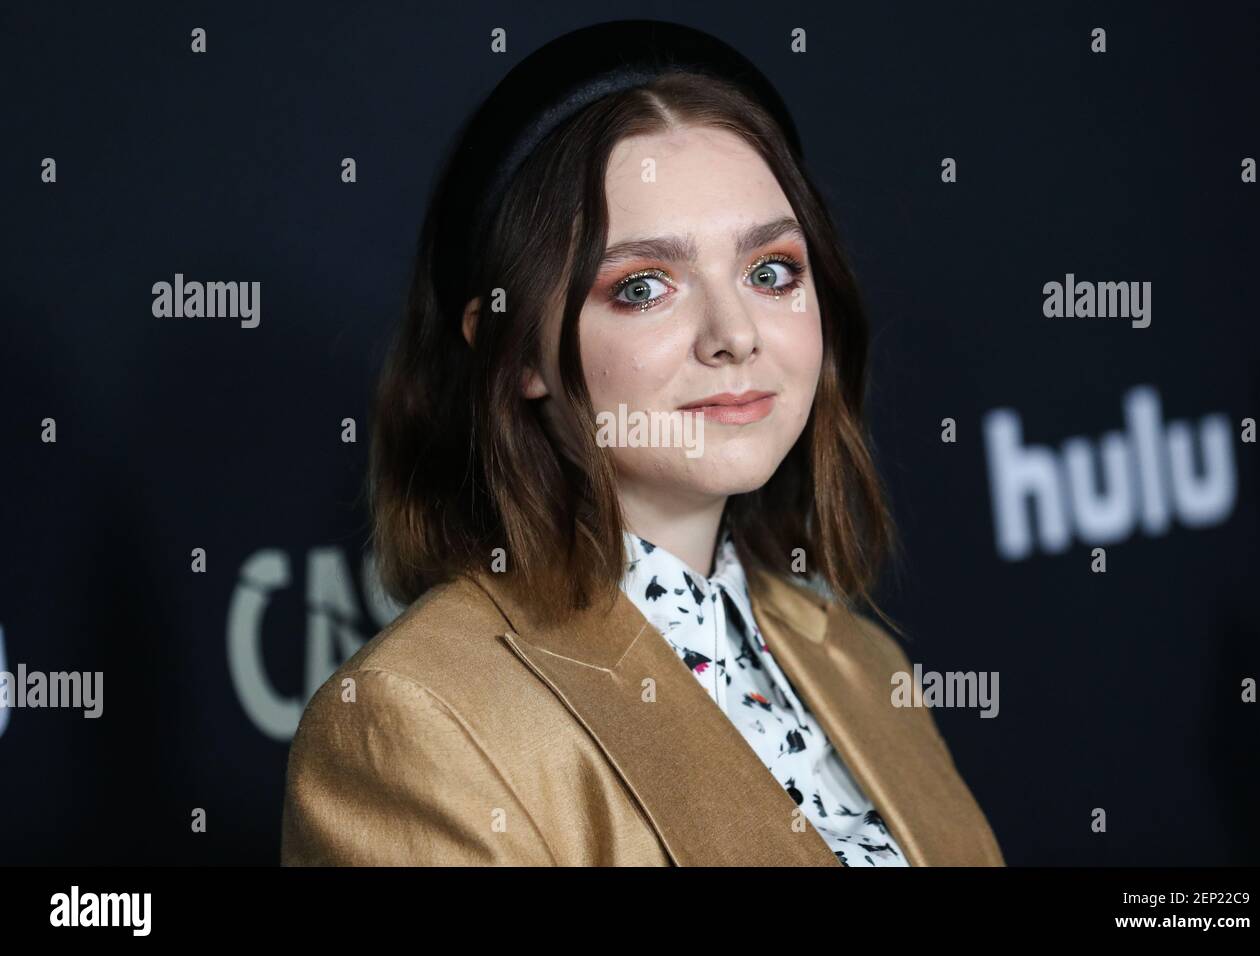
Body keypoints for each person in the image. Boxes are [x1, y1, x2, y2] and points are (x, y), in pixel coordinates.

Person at [280, 19, 1004, 866]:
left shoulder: (858, 657)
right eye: (644, 287)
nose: (735, 334)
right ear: (516, 354)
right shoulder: (413, 721)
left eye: (771, 271)